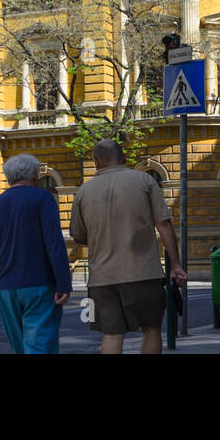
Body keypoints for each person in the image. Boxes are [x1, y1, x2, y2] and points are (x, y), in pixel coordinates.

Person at [70, 139, 186, 355]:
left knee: (112, 335)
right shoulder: (145, 180)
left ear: (95, 162)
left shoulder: (83, 192)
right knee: (151, 331)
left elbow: (78, 236)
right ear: (124, 158)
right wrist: (176, 265)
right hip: (143, 273)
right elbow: (163, 223)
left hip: (102, 278)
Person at [0, 154, 71, 354]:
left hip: (5, 289)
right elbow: (54, 243)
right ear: (34, 176)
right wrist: (63, 282)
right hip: (40, 285)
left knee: (20, 347)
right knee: (39, 345)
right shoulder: (43, 198)